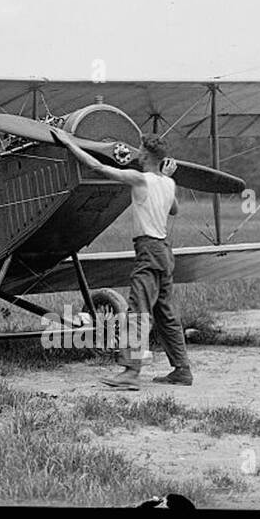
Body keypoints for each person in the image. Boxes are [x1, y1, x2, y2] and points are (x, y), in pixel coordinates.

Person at [50, 128, 191, 389]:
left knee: (138, 311)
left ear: (146, 155)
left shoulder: (140, 180)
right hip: (164, 252)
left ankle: (130, 372)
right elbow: (174, 209)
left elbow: (97, 166)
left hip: (148, 251)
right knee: (166, 313)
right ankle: (182, 369)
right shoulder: (168, 183)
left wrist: (70, 143)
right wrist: (167, 177)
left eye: (140, 150)